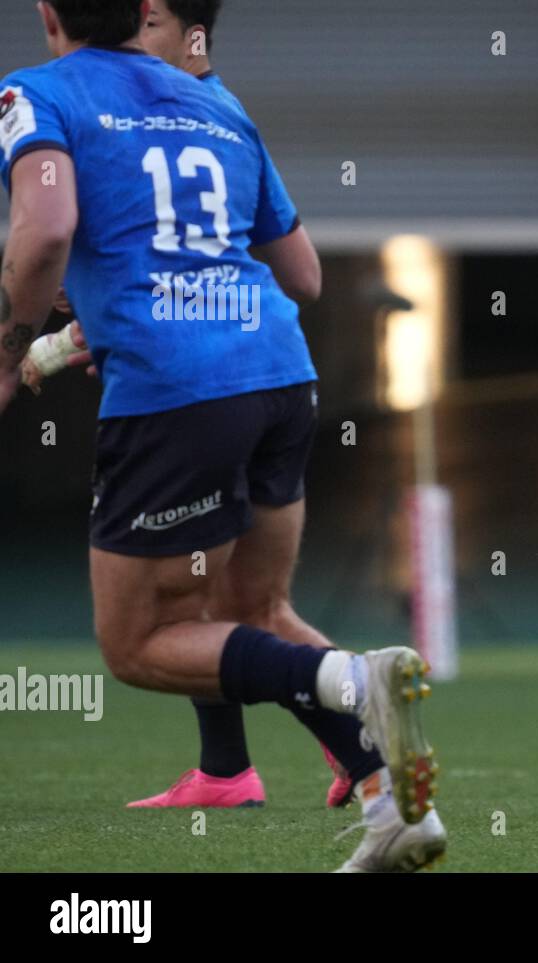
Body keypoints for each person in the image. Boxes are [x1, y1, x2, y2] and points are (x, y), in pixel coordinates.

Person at [0, 0, 444, 870]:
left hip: (178, 392)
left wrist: (13, 345)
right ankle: (395, 805)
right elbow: (306, 275)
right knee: (257, 610)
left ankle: (352, 679)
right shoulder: (215, 100)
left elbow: (46, 229)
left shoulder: (36, 92)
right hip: (280, 373)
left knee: (137, 645)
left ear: (49, 12)